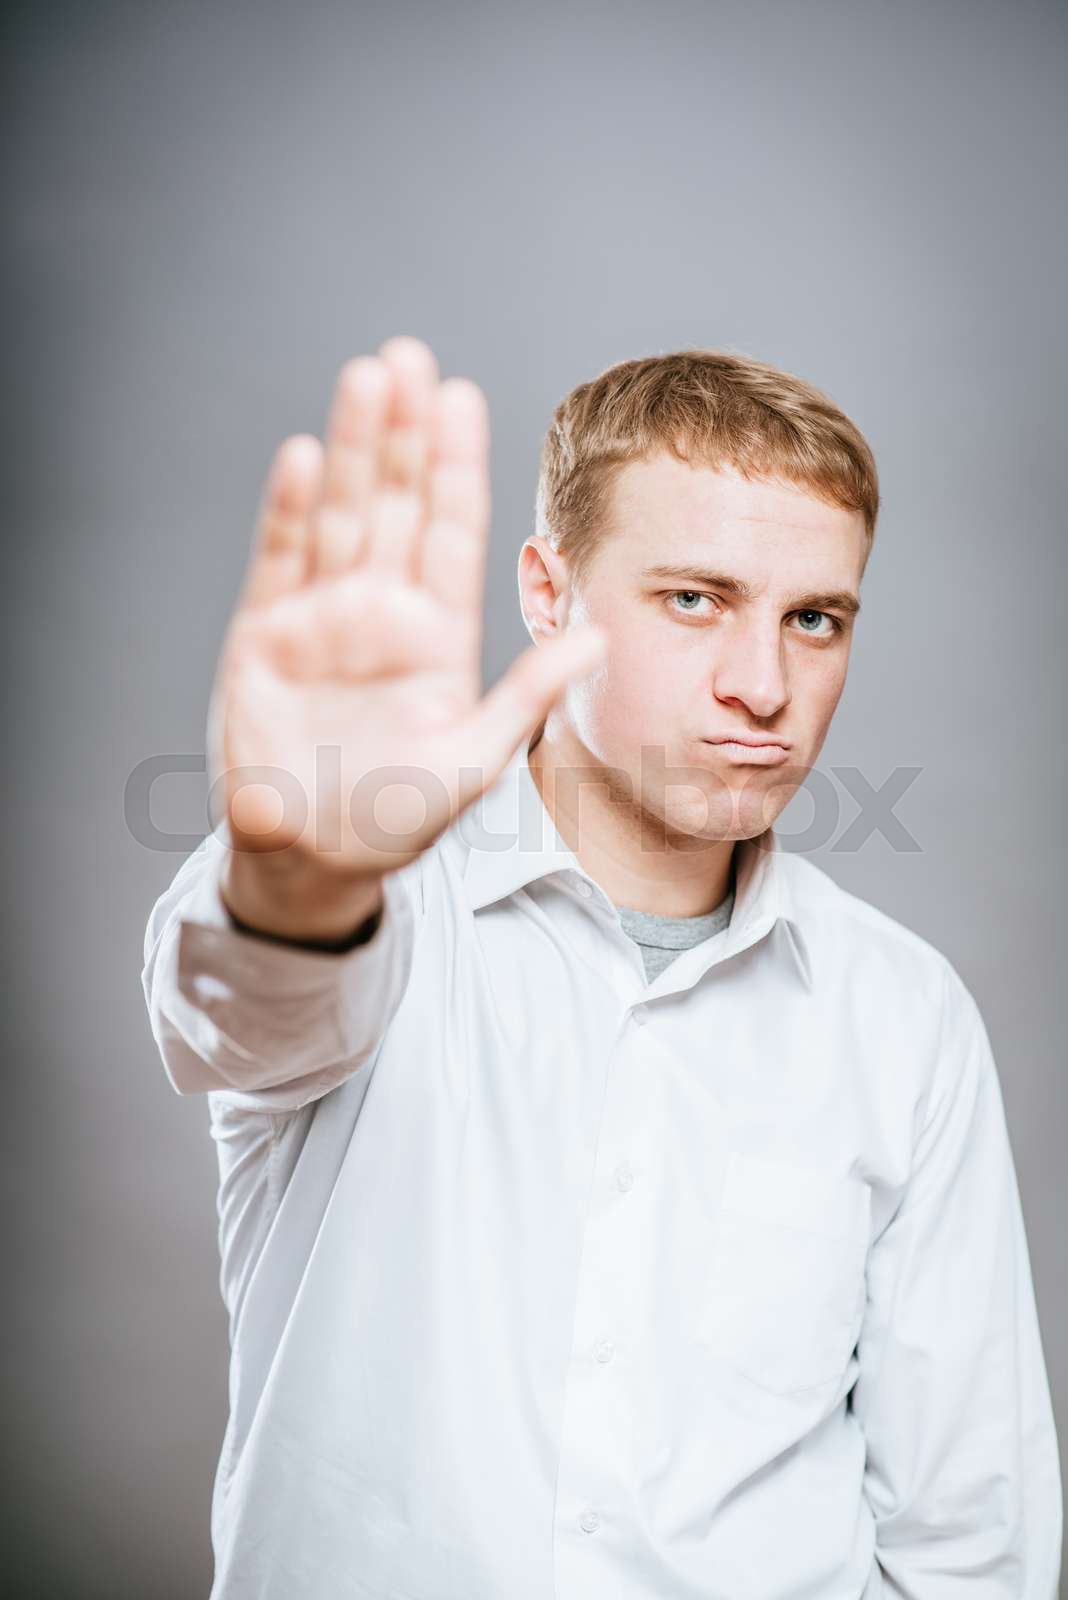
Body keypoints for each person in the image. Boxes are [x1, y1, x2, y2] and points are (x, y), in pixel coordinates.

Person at [141, 336, 1061, 1598]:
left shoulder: (907, 1020)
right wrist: (302, 872)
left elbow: (973, 1537)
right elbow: (240, 1015)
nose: (763, 686)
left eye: (814, 619)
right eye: (694, 598)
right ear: (546, 591)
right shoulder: (370, 917)